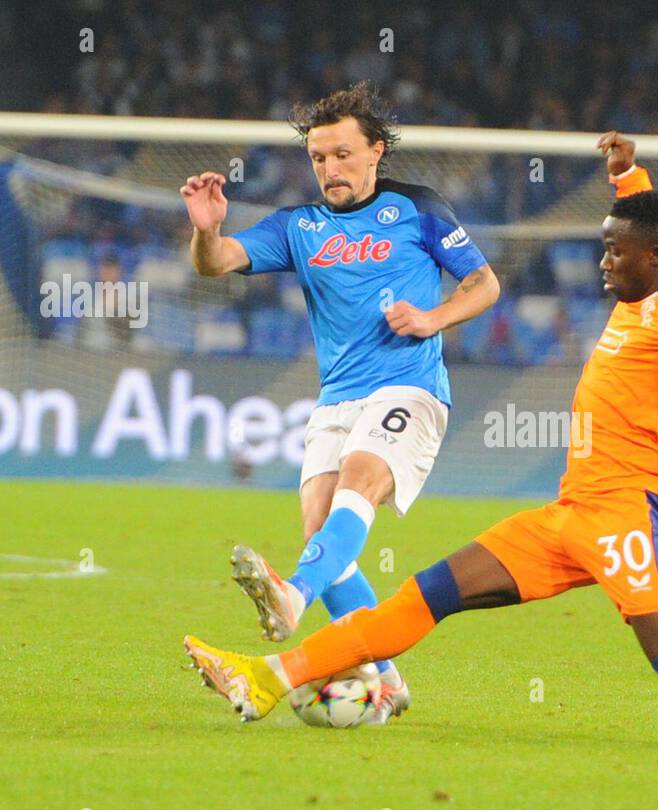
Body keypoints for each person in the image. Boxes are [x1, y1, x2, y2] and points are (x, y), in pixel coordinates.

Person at [185, 131, 658, 756]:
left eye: (612, 251)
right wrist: (628, 177)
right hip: (571, 514)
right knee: (425, 595)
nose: (602, 263)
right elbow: (654, 225)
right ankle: (267, 677)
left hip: (629, 516)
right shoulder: (652, 283)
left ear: (653, 257)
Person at [180, 82, 500, 722]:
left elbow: (484, 283)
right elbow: (216, 264)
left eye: (343, 155)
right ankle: (385, 678)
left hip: (411, 388)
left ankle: (294, 598)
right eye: (320, 157)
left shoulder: (419, 209)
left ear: (376, 151)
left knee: (354, 489)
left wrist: (435, 318)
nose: (330, 169)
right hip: (337, 399)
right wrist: (206, 231)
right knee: (321, 530)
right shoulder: (298, 227)